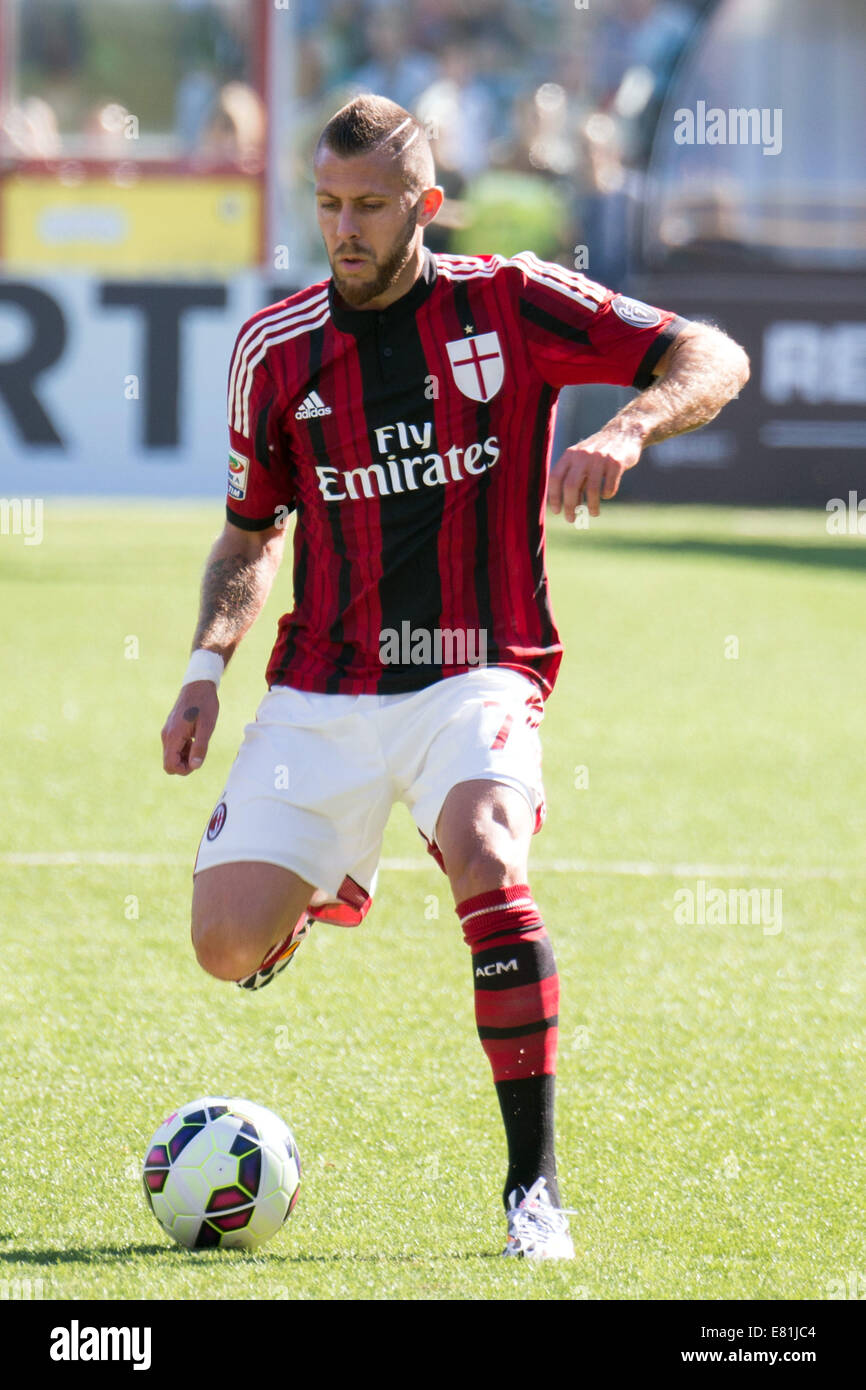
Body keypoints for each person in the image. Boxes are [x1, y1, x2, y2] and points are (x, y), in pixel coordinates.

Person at [161, 94, 749, 1260]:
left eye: (370, 206)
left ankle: (531, 1190)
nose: (344, 228)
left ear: (424, 208)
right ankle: (323, 888)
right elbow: (247, 532)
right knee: (223, 948)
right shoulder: (271, 352)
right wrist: (202, 668)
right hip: (323, 685)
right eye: (327, 205)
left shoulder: (508, 301)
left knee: (487, 850)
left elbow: (709, 352)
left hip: (473, 670)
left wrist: (626, 429)